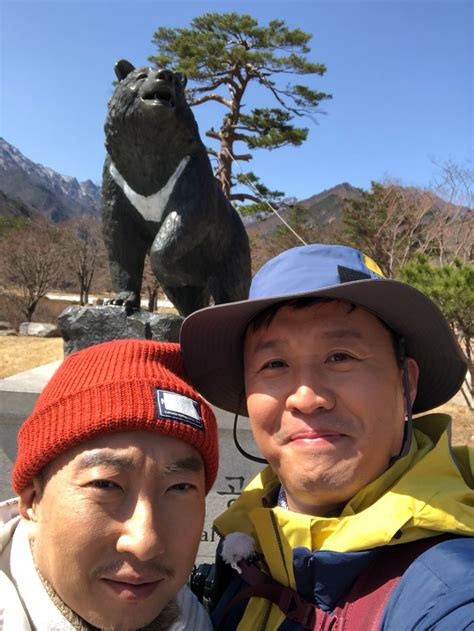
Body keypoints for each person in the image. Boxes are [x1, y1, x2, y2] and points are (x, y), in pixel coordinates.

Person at [180, 243, 474, 630]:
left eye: (341, 357)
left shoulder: (449, 592)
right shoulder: (244, 549)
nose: (306, 398)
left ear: (407, 384)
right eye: (274, 363)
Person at [0, 339, 218, 631]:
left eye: (179, 487)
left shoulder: (193, 617)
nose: (144, 543)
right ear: (31, 502)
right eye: (105, 485)